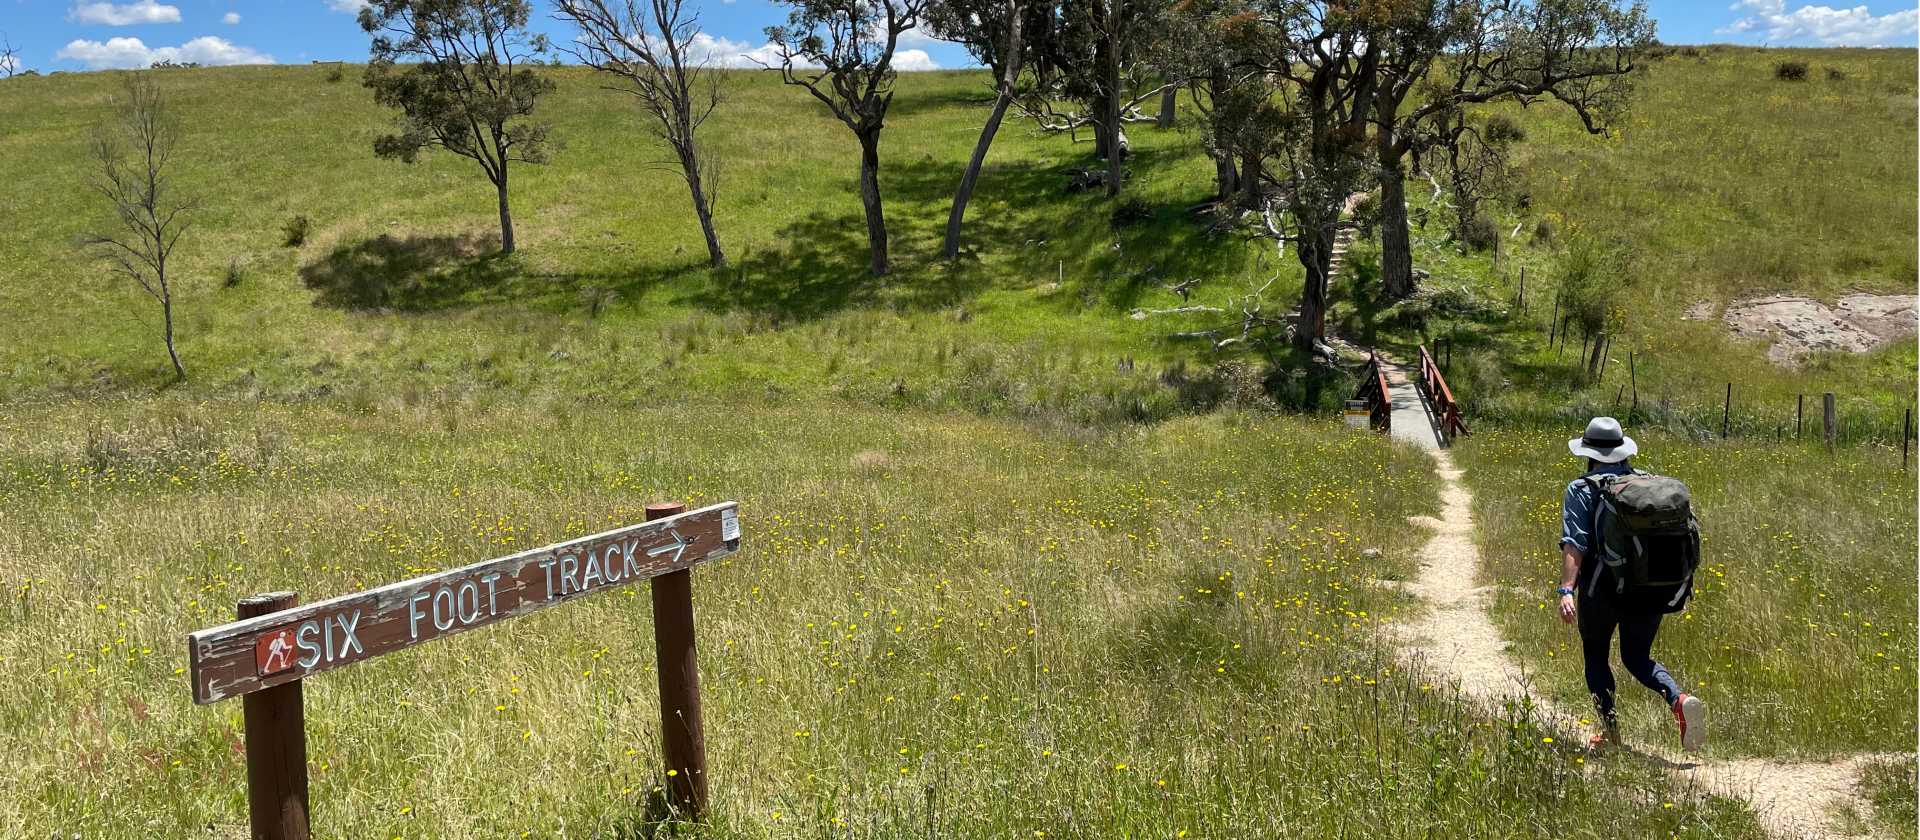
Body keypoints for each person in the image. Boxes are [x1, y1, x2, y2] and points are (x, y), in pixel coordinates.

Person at [1555, 417, 1706, 752]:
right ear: (1623, 452)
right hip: (1648, 586)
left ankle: (1610, 734)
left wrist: (1567, 589)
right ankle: (1679, 699)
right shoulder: (1646, 484)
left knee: (1596, 657)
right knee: (1637, 657)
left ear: (1588, 454)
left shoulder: (1581, 489)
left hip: (1601, 590)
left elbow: (1575, 543)